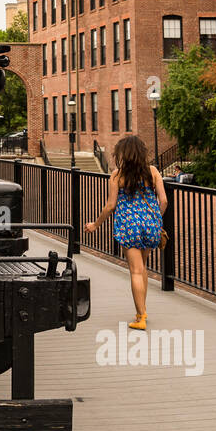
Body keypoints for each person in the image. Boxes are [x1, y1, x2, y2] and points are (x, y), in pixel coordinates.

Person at [85, 135, 167, 331]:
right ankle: (143, 310)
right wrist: (155, 219)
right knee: (143, 268)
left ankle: (141, 317)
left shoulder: (117, 175)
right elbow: (163, 201)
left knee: (136, 271)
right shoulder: (153, 172)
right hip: (151, 225)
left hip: (128, 226)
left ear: (123, 154)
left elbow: (111, 205)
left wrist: (95, 224)